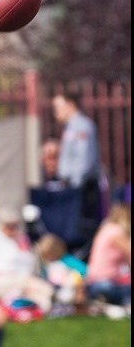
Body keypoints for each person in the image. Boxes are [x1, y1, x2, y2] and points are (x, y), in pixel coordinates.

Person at [0, 207, 55, 316]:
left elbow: (30, 264)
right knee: (33, 290)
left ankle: (26, 307)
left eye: (14, 226)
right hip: (0, 281)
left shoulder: (22, 239)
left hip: (24, 280)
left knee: (47, 292)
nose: (12, 229)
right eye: (8, 226)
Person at [52, 92, 103, 249]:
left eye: (58, 107)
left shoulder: (81, 126)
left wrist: (73, 186)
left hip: (81, 187)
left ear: (70, 105)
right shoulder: (71, 127)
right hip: (73, 186)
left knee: (82, 228)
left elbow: (84, 160)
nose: (56, 112)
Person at [85, 202, 131, 311]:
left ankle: (102, 301)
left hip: (93, 284)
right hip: (106, 284)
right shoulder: (117, 232)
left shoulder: (105, 229)